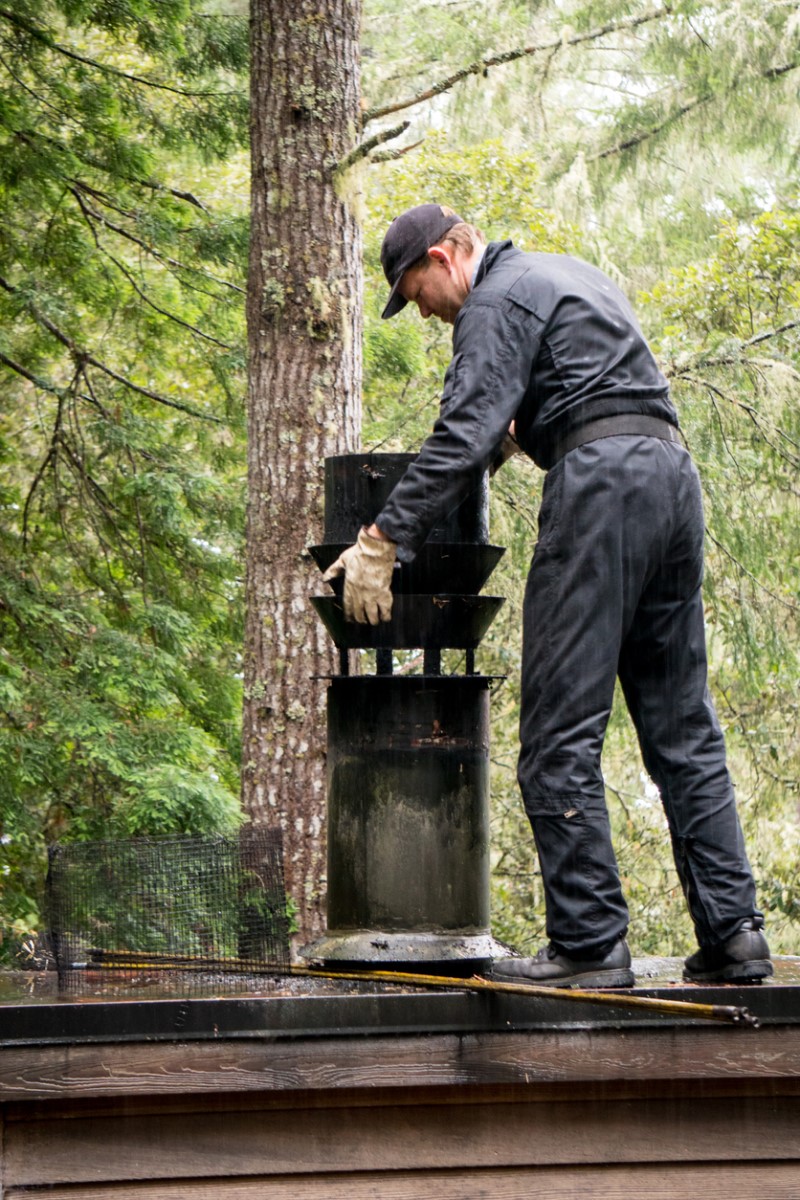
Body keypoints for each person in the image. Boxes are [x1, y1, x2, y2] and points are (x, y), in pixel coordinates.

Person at [323, 203, 772, 988]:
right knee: (682, 728)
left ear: (444, 257)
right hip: (670, 482)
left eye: (414, 289)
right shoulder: (567, 275)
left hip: (601, 492)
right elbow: (535, 409)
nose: (422, 310)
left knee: (557, 733)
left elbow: (463, 430)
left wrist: (381, 539)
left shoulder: (494, 299)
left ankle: (591, 945)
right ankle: (736, 936)